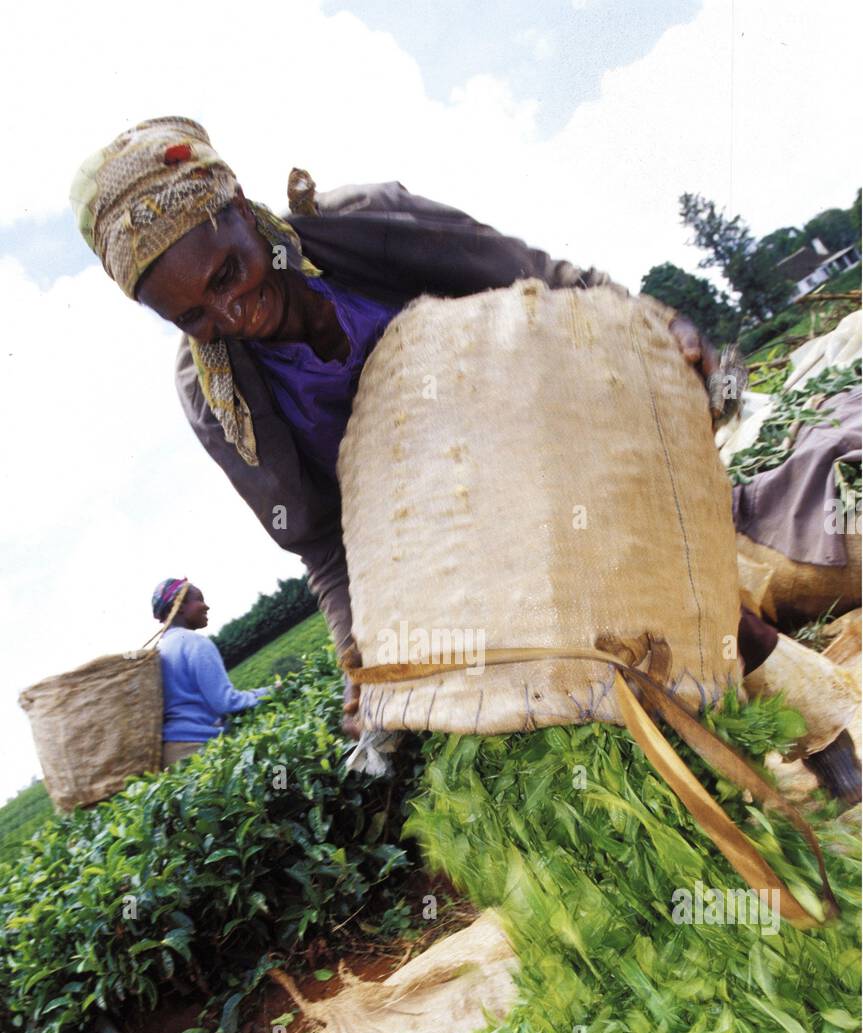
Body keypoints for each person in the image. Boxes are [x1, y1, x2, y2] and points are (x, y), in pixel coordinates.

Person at [71, 117, 721, 737]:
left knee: (692, 619)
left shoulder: (363, 221)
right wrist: (363, 662)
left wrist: (653, 325)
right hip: (460, 584)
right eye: (194, 316)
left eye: (227, 274)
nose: (231, 314)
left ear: (241, 209)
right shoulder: (215, 397)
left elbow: (546, 282)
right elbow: (321, 540)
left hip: (571, 480)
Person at [152, 578, 270, 767]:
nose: (206, 606)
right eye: (199, 599)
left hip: (169, 756)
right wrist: (271, 692)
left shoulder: (160, 649)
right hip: (197, 749)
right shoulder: (195, 642)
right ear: (180, 606)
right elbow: (227, 703)